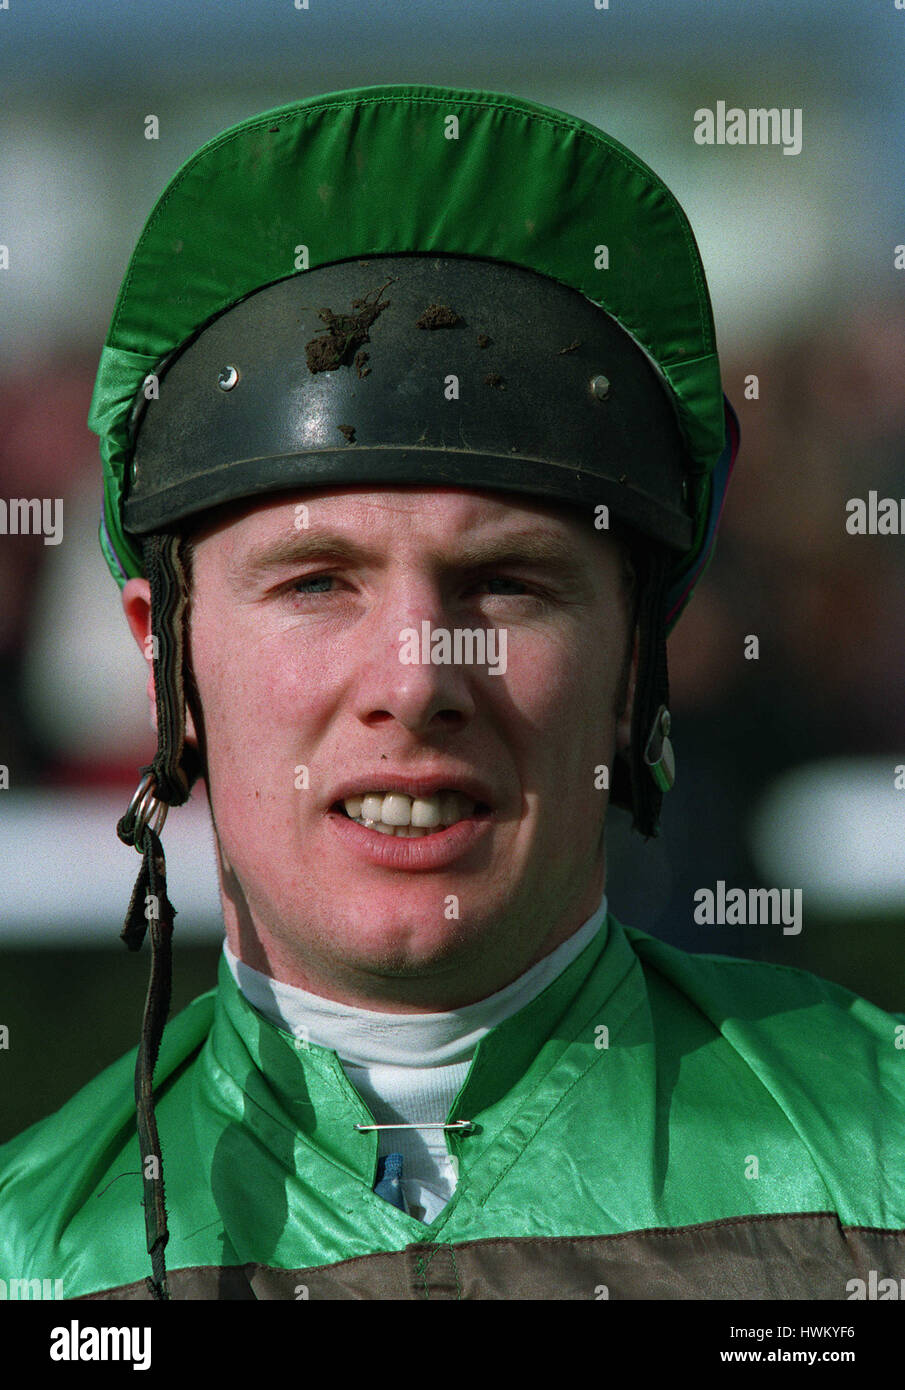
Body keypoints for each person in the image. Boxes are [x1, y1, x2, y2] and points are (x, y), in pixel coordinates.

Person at [1, 82, 902, 1302]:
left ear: (635, 657)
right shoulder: (33, 1262)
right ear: (167, 661)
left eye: (506, 582)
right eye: (318, 582)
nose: (418, 678)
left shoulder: (878, 1165)